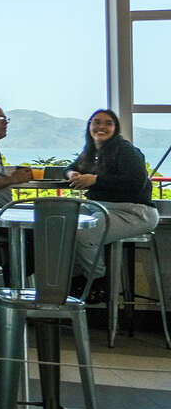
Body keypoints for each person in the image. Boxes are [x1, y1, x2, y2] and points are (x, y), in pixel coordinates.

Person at [67, 109, 159, 300]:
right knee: (64, 223)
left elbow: (136, 181)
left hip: (133, 212)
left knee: (84, 232)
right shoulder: (91, 151)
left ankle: (97, 281)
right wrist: (71, 175)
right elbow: (71, 168)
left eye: (108, 123)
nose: (101, 126)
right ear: (89, 126)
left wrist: (96, 180)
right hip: (101, 208)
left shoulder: (125, 150)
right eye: (96, 122)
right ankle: (75, 279)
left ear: (116, 128)